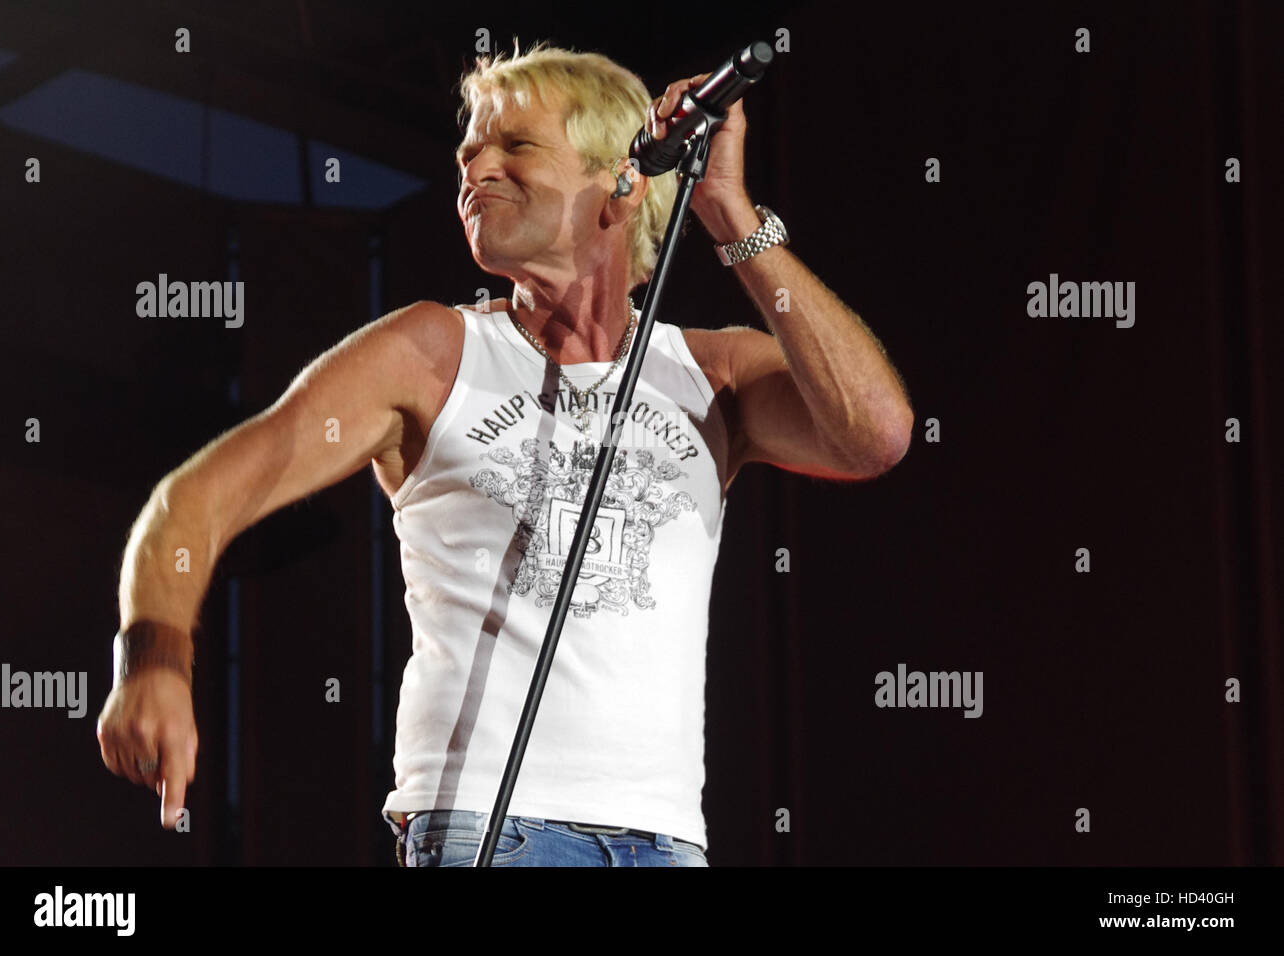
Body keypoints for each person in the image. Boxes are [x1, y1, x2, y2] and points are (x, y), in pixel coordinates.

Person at [95, 41, 913, 867]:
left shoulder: (714, 374)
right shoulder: (432, 353)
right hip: (495, 826)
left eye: (515, 145)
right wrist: (154, 658)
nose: (473, 167)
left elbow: (875, 433)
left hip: (668, 841)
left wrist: (733, 213)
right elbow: (195, 500)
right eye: (468, 151)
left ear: (623, 181)